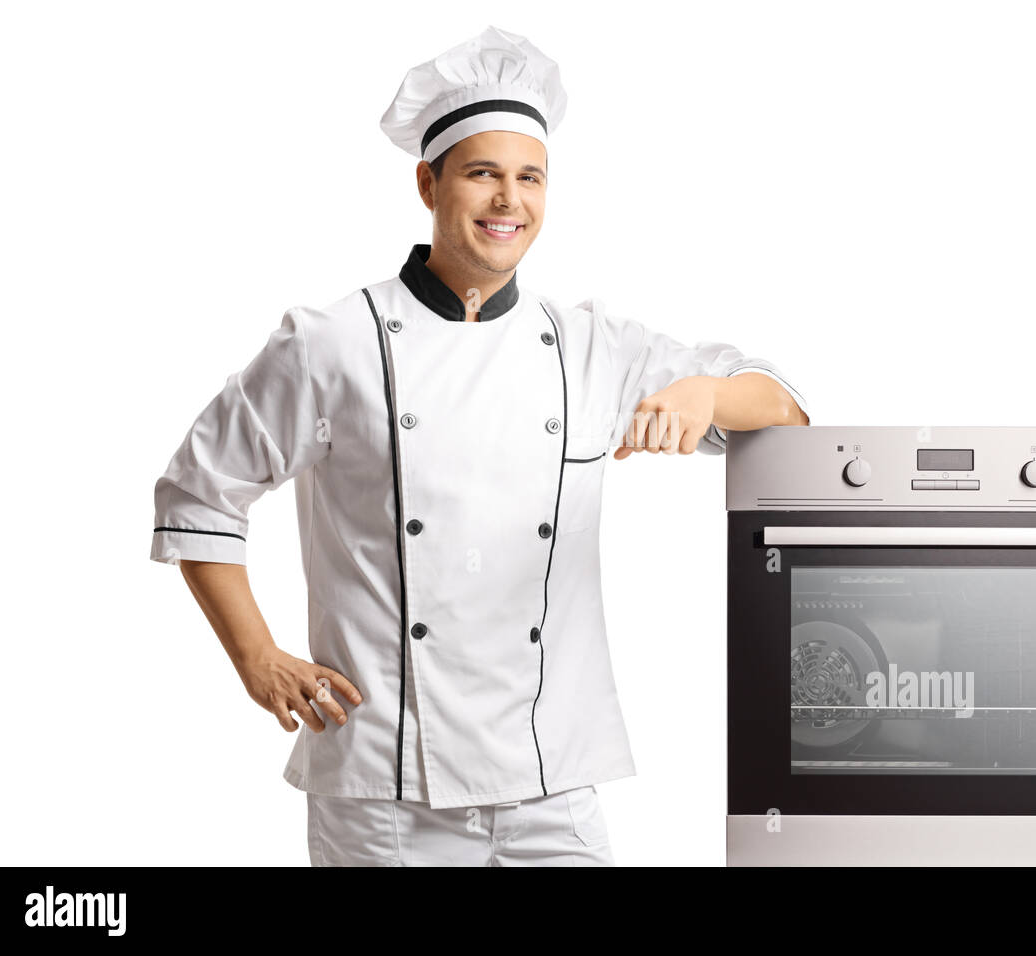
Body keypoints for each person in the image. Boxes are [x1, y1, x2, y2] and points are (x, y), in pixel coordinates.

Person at [149, 24, 810, 867]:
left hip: (551, 783)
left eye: (530, 177)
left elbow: (783, 413)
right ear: (428, 182)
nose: (510, 201)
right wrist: (257, 659)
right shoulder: (333, 342)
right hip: (384, 795)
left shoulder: (589, 347)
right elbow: (198, 491)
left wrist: (707, 392)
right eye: (483, 174)